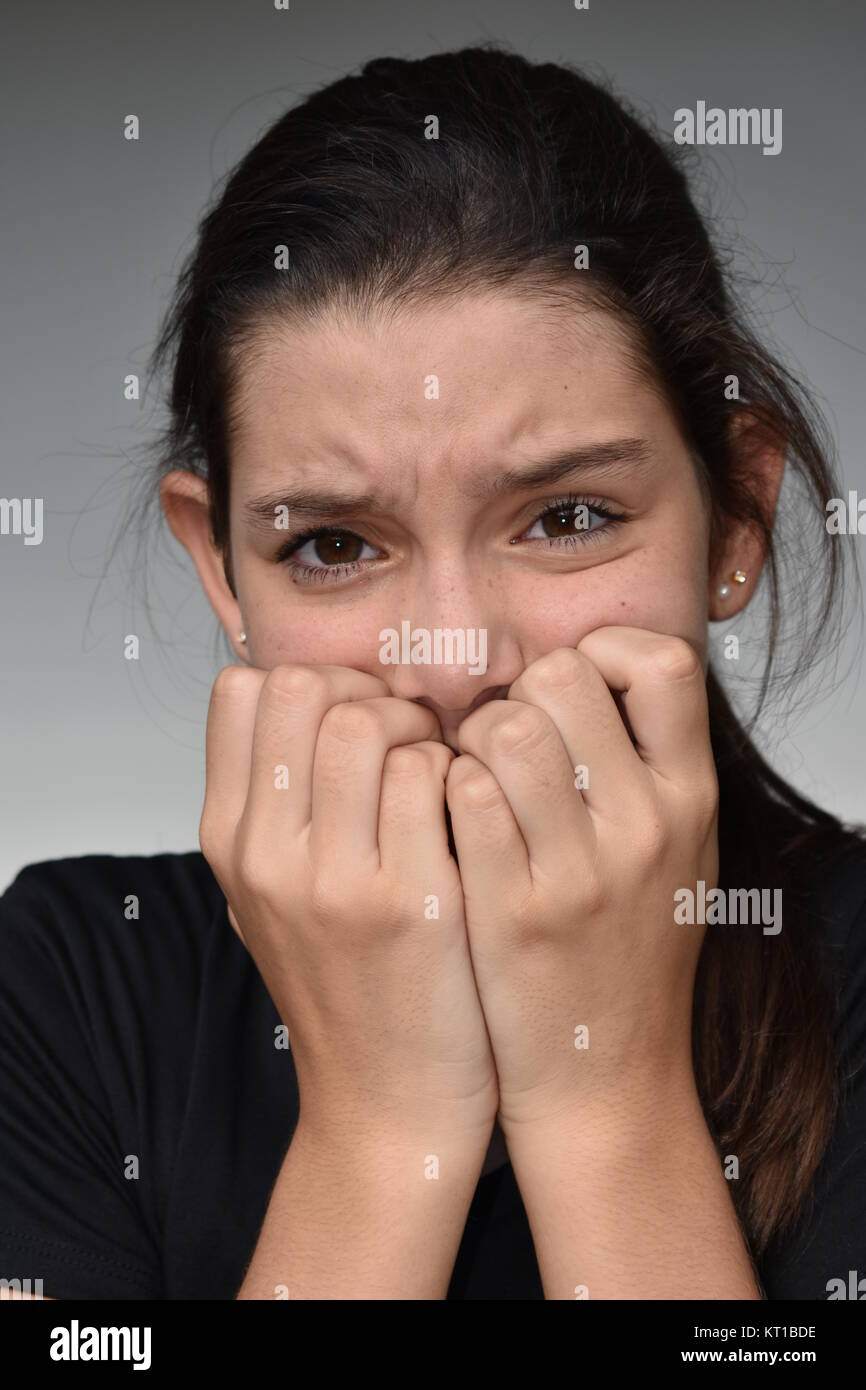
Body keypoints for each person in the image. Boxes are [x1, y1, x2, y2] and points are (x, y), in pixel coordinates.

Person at [1, 44, 864, 1301]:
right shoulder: (63, 993)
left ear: (735, 515)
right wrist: (380, 1131)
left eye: (565, 517)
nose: (456, 661)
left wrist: (603, 1105)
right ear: (223, 571)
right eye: (334, 545)